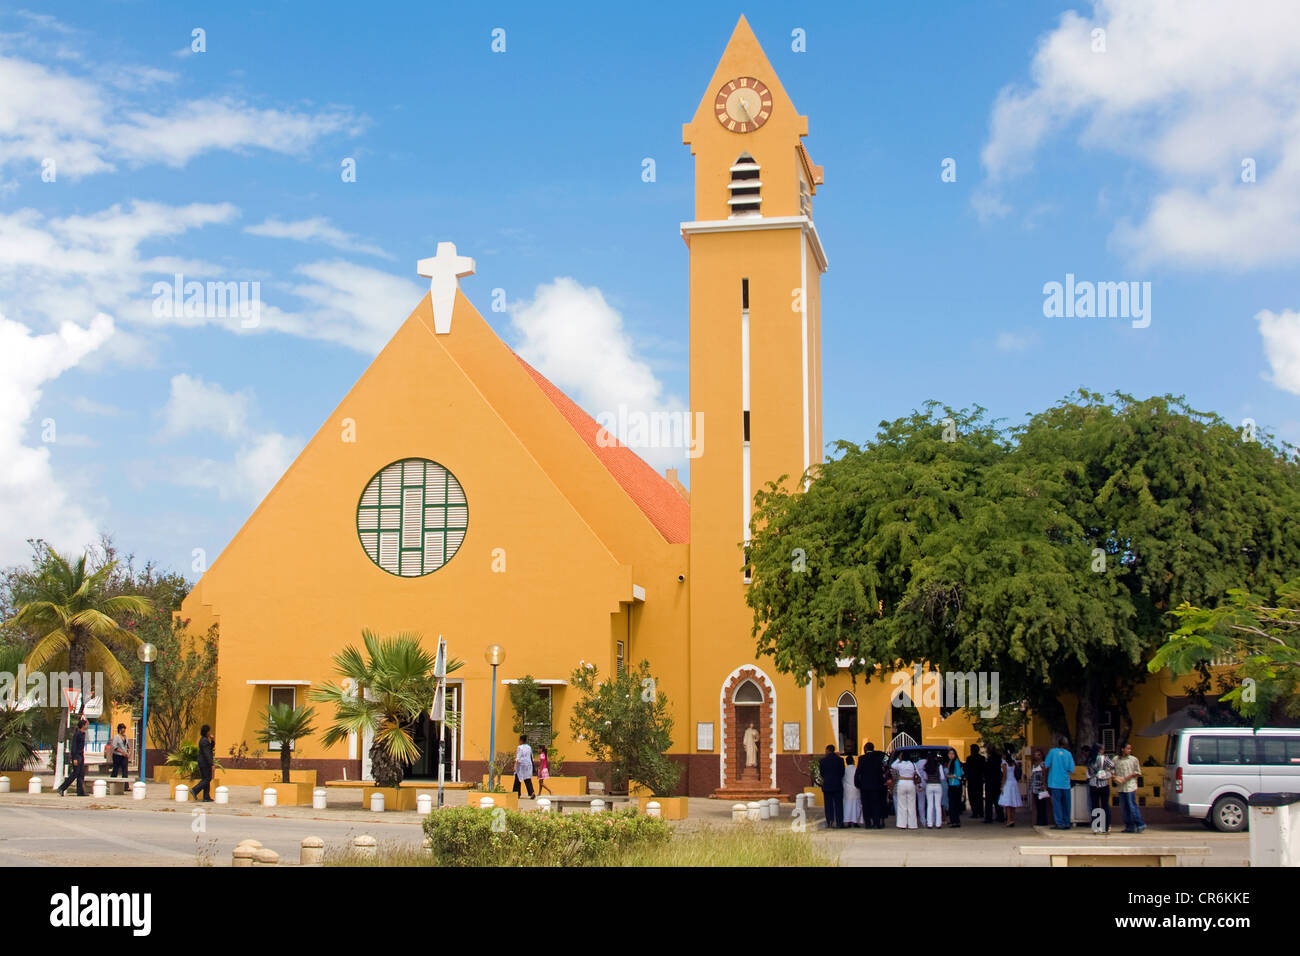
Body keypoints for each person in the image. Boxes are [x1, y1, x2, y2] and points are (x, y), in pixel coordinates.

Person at [1114, 741, 1147, 833]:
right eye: (1127, 748)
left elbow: (1137, 772)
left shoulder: (1133, 759)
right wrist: (1115, 777)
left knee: (1132, 805)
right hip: (1121, 786)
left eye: (1130, 749)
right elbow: (1112, 770)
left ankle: (1140, 823)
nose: (1129, 750)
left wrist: (1128, 777)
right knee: (1124, 807)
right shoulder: (1116, 759)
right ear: (1122, 749)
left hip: (1130, 785)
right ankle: (1129, 826)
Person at [1044, 735, 1075, 829]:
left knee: (1057, 803)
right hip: (1065, 782)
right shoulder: (1068, 754)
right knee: (1066, 804)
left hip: (1054, 782)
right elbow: (1072, 769)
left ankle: (1059, 823)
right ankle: (1066, 822)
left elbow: (1046, 764)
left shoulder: (1052, 752)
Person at [855, 742, 887, 829]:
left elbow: (858, 772)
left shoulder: (861, 758)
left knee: (865, 805)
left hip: (864, 786)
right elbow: (886, 762)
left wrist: (857, 784)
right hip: (876, 786)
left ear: (865, 749)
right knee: (876, 804)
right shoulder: (879, 757)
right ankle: (877, 823)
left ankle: (868, 823)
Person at [1086, 743, 1116, 833]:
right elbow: (1112, 766)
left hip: (1093, 784)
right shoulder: (1104, 758)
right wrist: (1108, 773)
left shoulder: (1090, 759)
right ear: (1100, 750)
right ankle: (1106, 827)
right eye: (1102, 749)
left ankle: (1096, 827)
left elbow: (1089, 772)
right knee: (1105, 805)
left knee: (1095, 806)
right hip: (1104, 784)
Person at [57, 718, 89, 796]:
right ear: (83, 726)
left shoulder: (83, 733)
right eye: (86, 725)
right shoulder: (77, 734)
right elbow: (74, 747)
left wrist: (87, 721)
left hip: (81, 755)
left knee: (81, 774)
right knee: (75, 773)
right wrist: (74, 758)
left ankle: (80, 792)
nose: (87, 726)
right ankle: (62, 788)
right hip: (77, 756)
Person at [890, 750, 920, 830]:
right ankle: (912, 825)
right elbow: (917, 774)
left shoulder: (900, 764)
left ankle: (902, 824)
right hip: (911, 783)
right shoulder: (913, 764)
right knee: (911, 805)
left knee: (901, 805)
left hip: (902, 783)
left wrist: (898, 759)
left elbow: (892, 766)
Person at [818, 744, 845, 828]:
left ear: (827, 750)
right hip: (837, 785)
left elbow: (821, 773)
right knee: (838, 805)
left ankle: (830, 821)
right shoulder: (840, 760)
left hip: (827, 785)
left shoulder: (822, 761)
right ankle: (839, 822)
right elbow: (842, 773)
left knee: (828, 805)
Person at [999, 747, 1023, 826]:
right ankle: (1012, 819)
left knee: (1007, 803)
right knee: (1013, 802)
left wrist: (1002, 785)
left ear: (1005, 755)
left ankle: (1009, 819)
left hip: (1007, 783)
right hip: (1014, 783)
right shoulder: (1014, 762)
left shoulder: (1004, 764)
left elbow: (1004, 776)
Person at [922, 750, 946, 828]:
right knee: (938, 805)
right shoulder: (939, 765)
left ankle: (930, 824)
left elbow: (925, 778)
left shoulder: (926, 766)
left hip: (929, 785)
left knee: (930, 805)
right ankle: (938, 824)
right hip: (938, 785)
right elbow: (942, 777)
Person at [984, 744, 1004, 823]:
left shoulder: (989, 759)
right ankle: (1000, 816)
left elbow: (986, 770)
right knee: (997, 800)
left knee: (989, 801)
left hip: (990, 781)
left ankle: (989, 818)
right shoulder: (999, 758)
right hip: (997, 781)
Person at [1030, 748, 1050, 826]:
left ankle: (1043, 821)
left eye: (1038, 754)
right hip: (1034, 786)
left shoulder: (1043, 764)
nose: (1037, 756)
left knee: (1042, 805)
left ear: (1042, 756)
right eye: (1035, 754)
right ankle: (1039, 820)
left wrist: (1044, 784)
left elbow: (1044, 774)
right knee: (1037, 804)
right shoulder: (1034, 765)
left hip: (1040, 786)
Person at [964, 744, 985, 819]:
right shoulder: (982, 758)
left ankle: (975, 812)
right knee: (979, 796)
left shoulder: (969, 758)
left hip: (972, 780)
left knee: (972, 797)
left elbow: (966, 769)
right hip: (979, 780)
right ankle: (981, 812)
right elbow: (983, 769)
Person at [842, 754, 864, 827]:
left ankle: (847, 821)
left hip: (847, 791)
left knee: (847, 806)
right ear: (853, 761)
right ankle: (855, 822)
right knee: (856, 806)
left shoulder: (844, 770)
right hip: (856, 790)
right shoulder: (856, 769)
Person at [945, 747, 964, 827]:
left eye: (952, 753)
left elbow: (959, 775)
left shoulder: (956, 762)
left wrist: (950, 776)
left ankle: (956, 821)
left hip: (955, 785)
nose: (951, 755)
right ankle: (953, 820)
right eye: (949, 754)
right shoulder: (950, 762)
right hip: (951, 785)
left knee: (954, 804)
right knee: (951, 804)